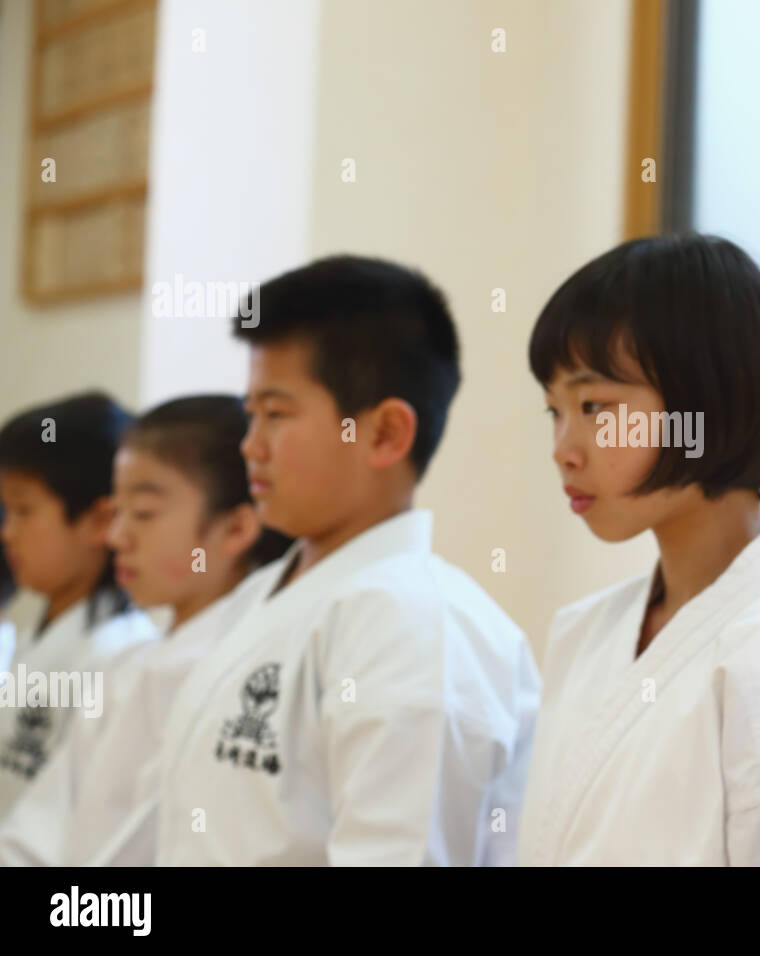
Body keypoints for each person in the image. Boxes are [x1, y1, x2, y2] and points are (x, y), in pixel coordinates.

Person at [155, 256, 540, 865]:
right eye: (250, 413)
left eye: (276, 414)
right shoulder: (264, 596)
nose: (250, 445)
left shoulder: (417, 627)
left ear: (385, 434)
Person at [518, 234, 760, 865]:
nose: (563, 446)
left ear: (707, 396)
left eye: (592, 405)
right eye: (553, 411)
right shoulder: (583, 632)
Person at [0, 395, 291, 865]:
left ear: (235, 529)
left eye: (144, 514)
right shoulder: (133, 667)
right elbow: (40, 831)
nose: (117, 537)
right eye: (118, 514)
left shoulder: (244, 675)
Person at [0, 392, 157, 818]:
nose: (7, 533)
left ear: (99, 521)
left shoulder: (119, 655)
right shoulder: (37, 635)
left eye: (22, 511)